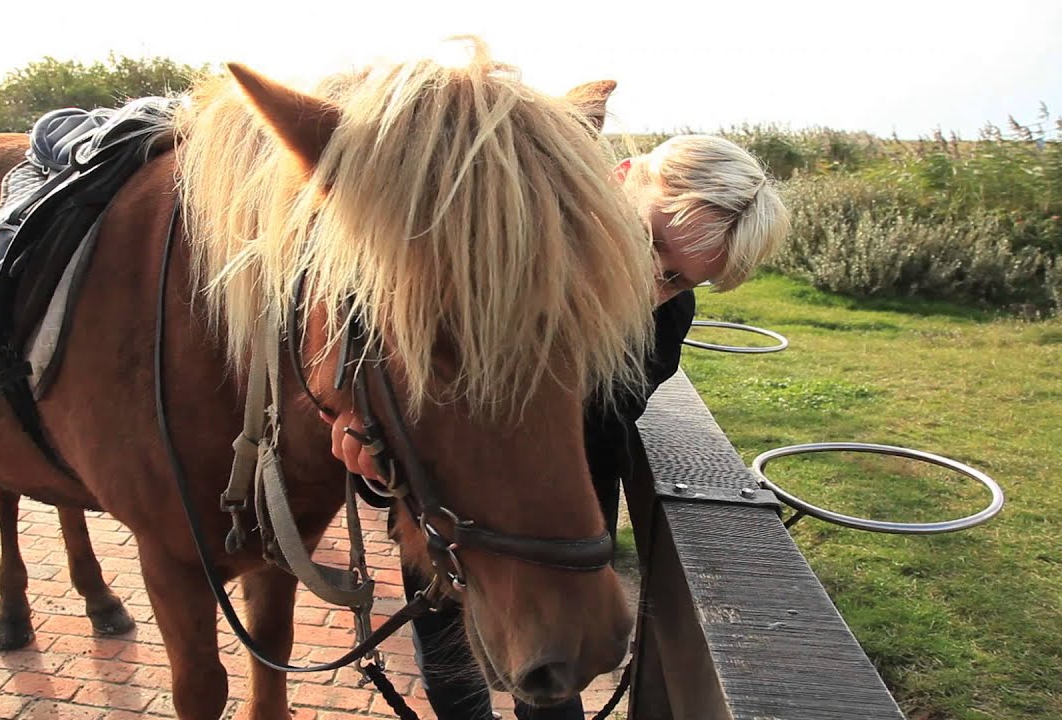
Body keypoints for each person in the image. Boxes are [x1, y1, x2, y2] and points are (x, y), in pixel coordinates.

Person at [330, 134, 791, 720]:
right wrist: (371, 445)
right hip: (450, 522)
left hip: (555, 541)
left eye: (676, 278)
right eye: (647, 244)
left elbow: (600, 428)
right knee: (449, 659)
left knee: (554, 682)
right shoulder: (492, 265)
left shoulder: (662, 321)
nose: (648, 284)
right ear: (618, 178)